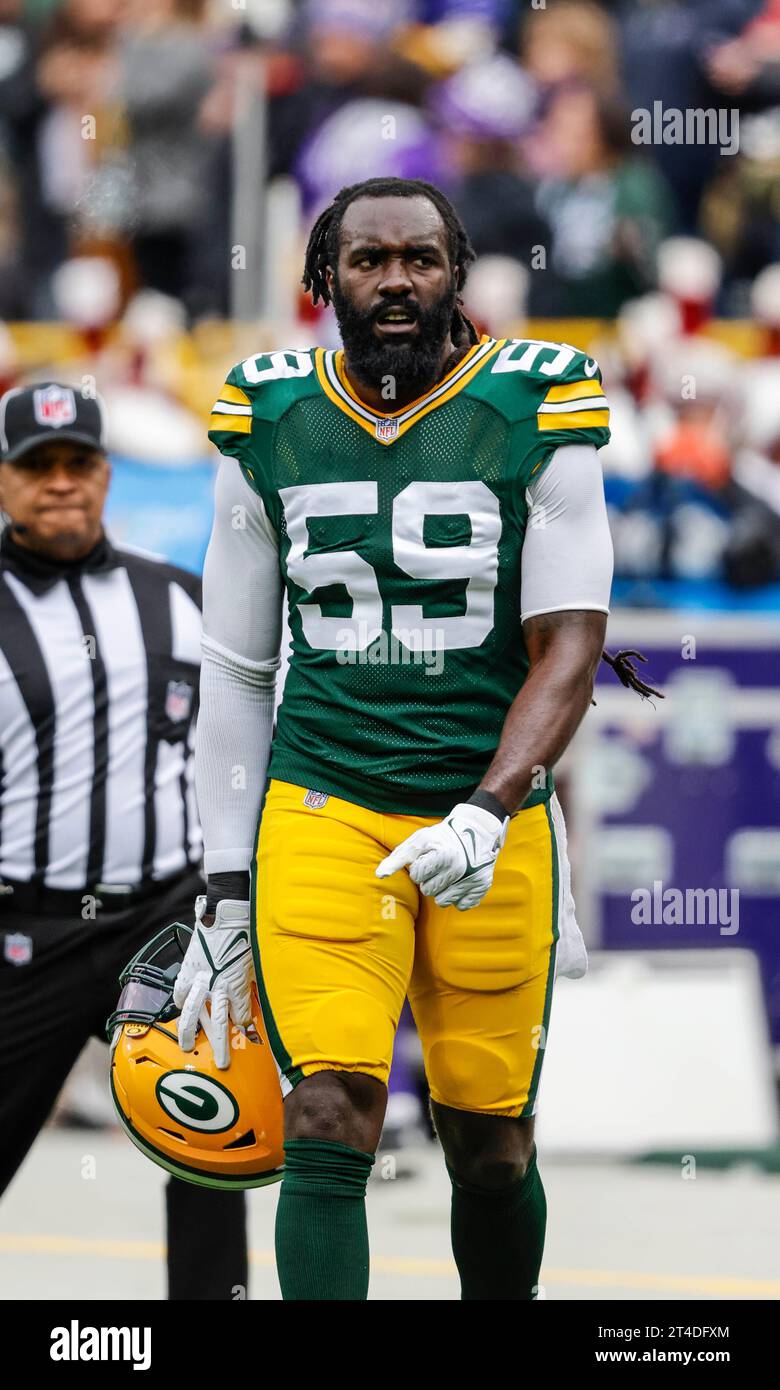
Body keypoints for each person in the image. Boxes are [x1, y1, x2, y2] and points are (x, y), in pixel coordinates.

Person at [186, 175, 657, 1301]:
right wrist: (223, 880)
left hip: (486, 806)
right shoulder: (266, 415)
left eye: (421, 259)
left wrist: (492, 807)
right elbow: (239, 667)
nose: (395, 281)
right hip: (324, 799)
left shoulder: (538, 401)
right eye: (366, 260)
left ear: (459, 270)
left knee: (488, 1140)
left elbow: (570, 646)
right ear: (321, 278)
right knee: (327, 1107)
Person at [0, 381, 247, 1299]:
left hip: (165, 916)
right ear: (5, 482)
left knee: (213, 1137)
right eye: (37, 468)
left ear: (106, 474)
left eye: (78, 464)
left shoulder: (183, 600)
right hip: (27, 927)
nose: (59, 484)